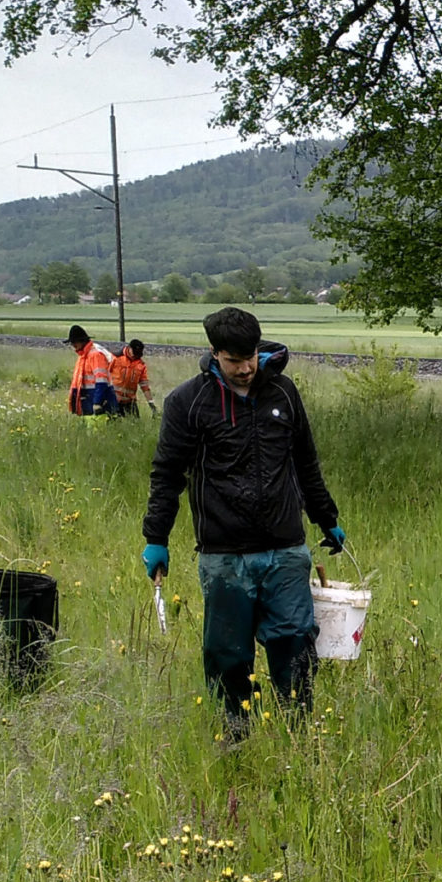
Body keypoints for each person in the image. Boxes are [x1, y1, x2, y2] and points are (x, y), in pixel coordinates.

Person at [141, 306, 348, 741]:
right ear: (215, 353)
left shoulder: (284, 394)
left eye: (251, 356)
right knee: (228, 655)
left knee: (294, 643)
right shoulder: (188, 403)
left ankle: (297, 734)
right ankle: (236, 737)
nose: (246, 368)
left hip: (286, 548)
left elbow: (305, 462)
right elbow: (167, 474)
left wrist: (326, 518)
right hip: (224, 556)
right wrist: (155, 537)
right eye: (234, 360)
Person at [66, 324, 118, 418]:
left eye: (74, 342)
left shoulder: (95, 355)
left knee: (100, 430)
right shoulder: (83, 356)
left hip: (100, 403)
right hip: (88, 401)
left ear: (82, 341)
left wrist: (97, 402)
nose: (73, 345)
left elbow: (101, 380)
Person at [110, 338, 154, 417]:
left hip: (130, 402)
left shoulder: (141, 365)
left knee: (136, 425)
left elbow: (145, 386)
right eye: (135, 353)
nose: (136, 356)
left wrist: (151, 404)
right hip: (113, 401)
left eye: (138, 354)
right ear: (129, 349)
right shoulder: (114, 358)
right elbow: (104, 377)